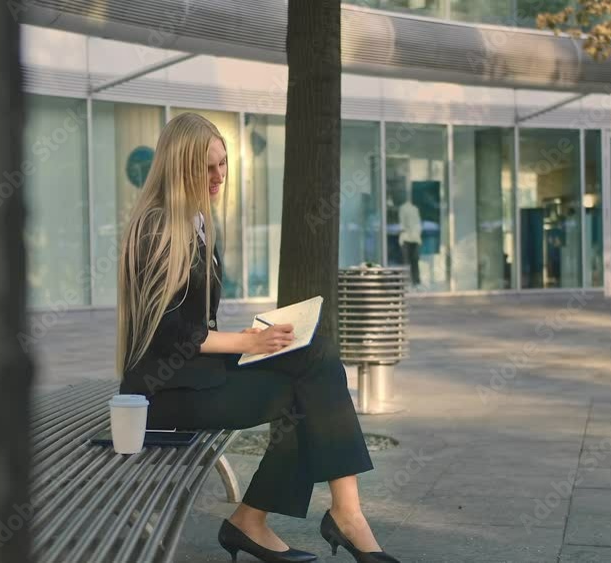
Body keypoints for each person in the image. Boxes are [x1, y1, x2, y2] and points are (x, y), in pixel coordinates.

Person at [117, 112, 400, 563]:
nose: (218, 176)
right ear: (179, 167)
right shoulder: (157, 226)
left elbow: (195, 323)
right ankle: (294, 519)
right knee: (306, 395)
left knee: (317, 355)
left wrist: (249, 337)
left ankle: (335, 513)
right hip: (164, 396)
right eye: (206, 167)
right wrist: (243, 343)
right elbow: (168, 331)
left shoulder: (199, 222)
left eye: (222, 164)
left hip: (196, 375)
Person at [398, 193, 422, 286]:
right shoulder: (413, 209)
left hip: (409, 237)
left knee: (408, 261)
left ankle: (409, 282)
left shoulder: (406, 208)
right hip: (412, 237)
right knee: (413, 261)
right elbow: (417, 224)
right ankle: (414, 282)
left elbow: (402, 223)